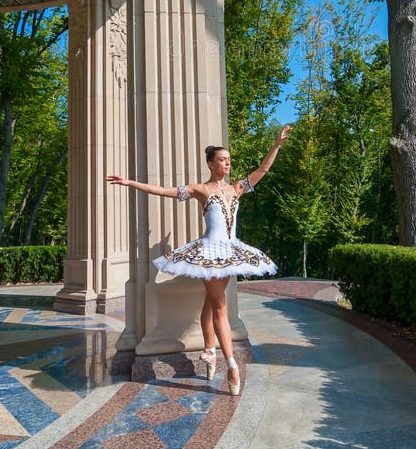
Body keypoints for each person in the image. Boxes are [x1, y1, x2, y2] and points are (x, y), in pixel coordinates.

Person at [107, 125, 290, 396]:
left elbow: (262, 170)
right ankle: (231, 365)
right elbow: (164, 191)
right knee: (220, 305)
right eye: (222, 159)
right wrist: (131, 182)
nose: (227, 162)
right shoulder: (201, 190)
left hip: (230, 252)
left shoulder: (237, 189)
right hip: (209, 253)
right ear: (211, 163)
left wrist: (276, 144)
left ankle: (208, 351)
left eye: (229, 159)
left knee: (211, 302)